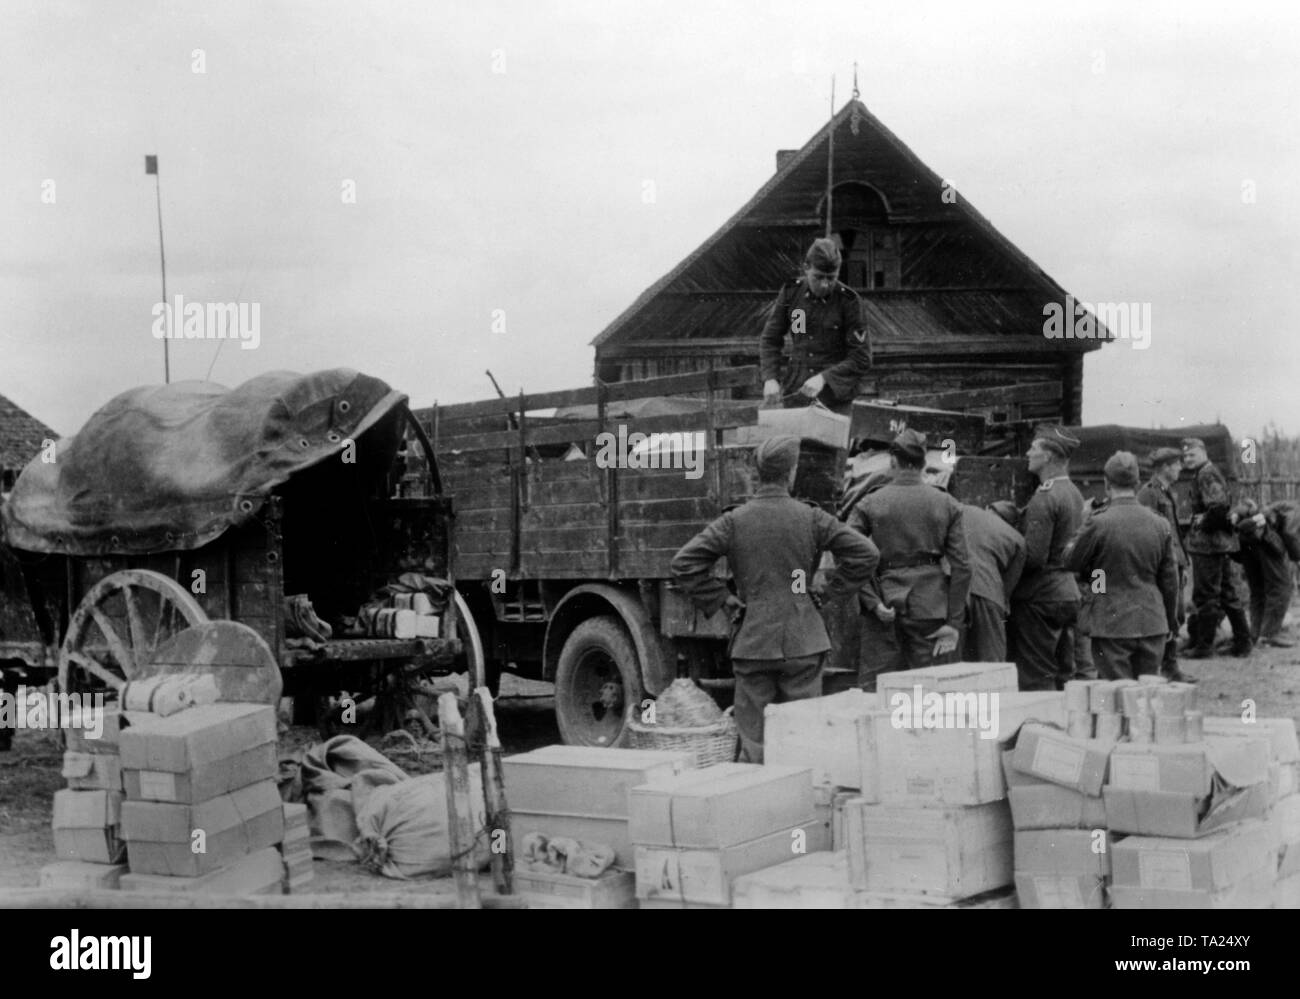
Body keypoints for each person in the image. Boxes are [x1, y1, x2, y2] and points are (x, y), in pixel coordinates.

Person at [670, 435, 878, 762]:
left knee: (754, 742)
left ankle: (760, 800)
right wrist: (827, 590)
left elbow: (683, 563)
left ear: (757, 473)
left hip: (754, 641)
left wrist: (722, 598)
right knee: (803, 737)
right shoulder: (812, 518)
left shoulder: (734, 521)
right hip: (803, 640)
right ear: (791, 473)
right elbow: (866, 554)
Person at [846, 429, 970, 675]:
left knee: (877, 691)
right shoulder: (947, 503)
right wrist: (954, 623)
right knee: (931, 691)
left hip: (884, 603)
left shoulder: (869, 503)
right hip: (931, 607)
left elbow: (848, 553)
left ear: (893, 460)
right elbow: (962, 566)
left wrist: (872, 601)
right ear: (924, 463)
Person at [1064, 452, 1180, 680]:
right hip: (1152, 623)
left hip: (1111, 624)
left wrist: (1083, 523)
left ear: (1106, 483)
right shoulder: (1160, 523)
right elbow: (1170, 581)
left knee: (1116, 700)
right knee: (1146, 698)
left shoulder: (1097, 522)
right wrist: (1169, 621)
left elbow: (1071, 561)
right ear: (1137, 483)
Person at [1009, 426, 1085, 691]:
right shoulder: (1074, 493)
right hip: (1067, 592)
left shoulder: (1045, 495)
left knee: (1035, 675)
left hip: (1040, 597)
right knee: (1065, 672)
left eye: (1034, 448)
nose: (1029, 452)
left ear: (1050, 456)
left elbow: (1034, 558)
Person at [759, 237, 872, 411]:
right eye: (818, 277)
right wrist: (770, 378)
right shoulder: (792, 293)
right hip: (796, 393)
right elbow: (770, 339)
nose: (825, 284)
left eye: (831, 278)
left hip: (835, 400)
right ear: (806, 268)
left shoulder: (849, 302)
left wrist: (824, 378)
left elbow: (861, 357)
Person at [1181, 437, 1252, 658]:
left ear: (1203, 452)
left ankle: (1204, 646)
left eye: (1192, 454)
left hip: (1208, 546)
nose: (1188, 459)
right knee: (1228, 594)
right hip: (1218, 545)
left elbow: (1219, 508)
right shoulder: (1205, 472)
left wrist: (1203, 521)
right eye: (1185, 456)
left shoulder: (1206, 474)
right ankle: (1243, 642)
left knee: (1206, 596)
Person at [1137, 446, 1193, 679]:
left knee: (1176, 615)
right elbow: (1150, 534)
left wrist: (1183, 562)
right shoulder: (1149, 493)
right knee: (1165, 614)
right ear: (1164, 468)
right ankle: (1162, 666)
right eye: (1177, 464)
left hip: (1174, 563)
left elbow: (1174, 532)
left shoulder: (1166, 491)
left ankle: (1170, 666)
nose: (1181, 468)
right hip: (1163, 566)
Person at [960, 501, 1027, 662]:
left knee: (953, 661)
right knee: (992, 659)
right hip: (990, 594)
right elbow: (1009, 583)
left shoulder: (967, 511)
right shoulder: (1018, 539)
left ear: (989, 508)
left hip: (954, 588)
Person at [1230, 499, 1296, 648]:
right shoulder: (1295, 511)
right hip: (1266, 542)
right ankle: (1269, 634)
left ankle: (1256, 633)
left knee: (1258, 590)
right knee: (1281, 589)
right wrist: (1297, 556)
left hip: (1248, 542)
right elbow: (1290, 534)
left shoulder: (1283, 506)